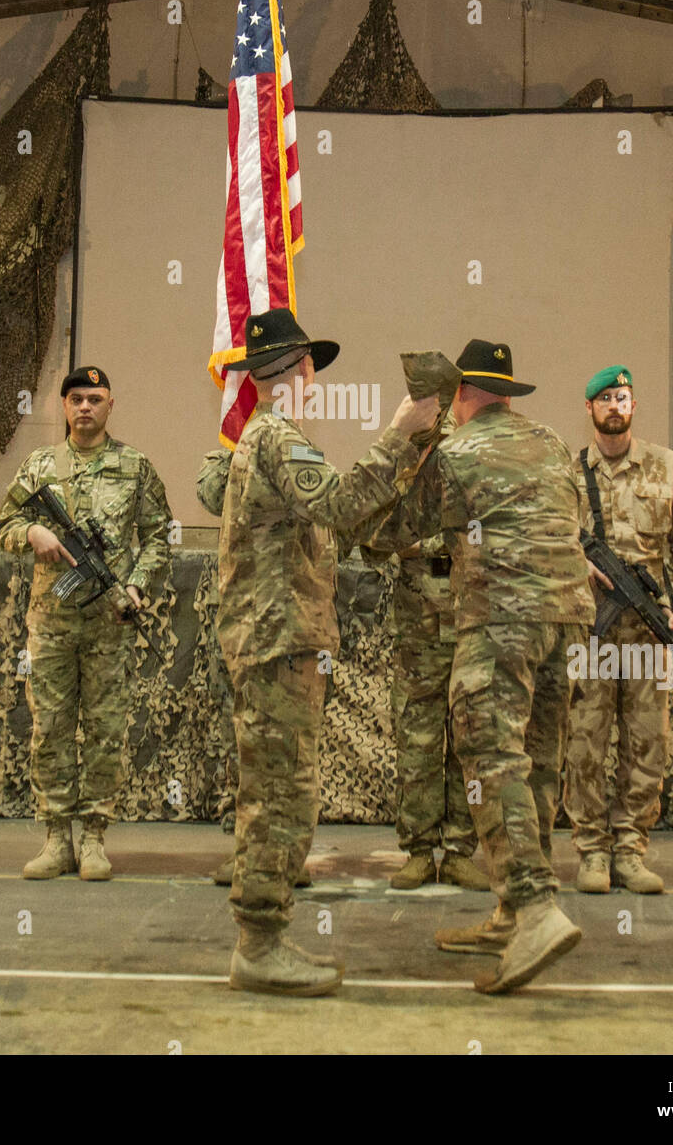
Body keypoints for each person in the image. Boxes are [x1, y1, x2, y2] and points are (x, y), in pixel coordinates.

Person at [216, 307, 438, 996]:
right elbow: (340, 505)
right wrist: (400, 435)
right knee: (280, 796)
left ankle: (265, 935)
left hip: (281, 640)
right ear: (303, 369)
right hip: (278, 641)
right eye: (314, 369)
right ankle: (258, 943)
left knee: (280, 791)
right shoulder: (280, 440)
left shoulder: (268, 438)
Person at [395, 340, 594, 993]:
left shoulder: (457, 451)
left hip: (500, 616)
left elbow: (398, 527)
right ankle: (512, 913)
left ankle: (534, 905)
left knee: (488, 750)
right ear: (507, 394)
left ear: (458, 395)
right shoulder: (553, 444)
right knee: (537, 757)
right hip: (564, 617)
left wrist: (406, 442)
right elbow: (573, 525)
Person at [0, 366, 172, 881]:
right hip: (50, 624)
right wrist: (32, 532)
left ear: (111, 404)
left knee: (104, 731)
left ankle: (94, 837)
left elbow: (159, 535)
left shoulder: (134, 467)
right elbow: (3, 524)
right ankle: (56, 838)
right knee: (49, 729)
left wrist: (137, 584)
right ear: (65, 406)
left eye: (95, 398)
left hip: (109, 624)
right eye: (76, 399)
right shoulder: (39, 464)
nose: (85, 407)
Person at [564, 365, 673, 895]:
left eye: (623, 397)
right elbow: (552, 542)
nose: (615, 406)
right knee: (584, 743)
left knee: (649, 742)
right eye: (605, 399)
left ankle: (629, 849)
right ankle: (592, 853)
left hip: (646, 633)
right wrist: (584, 572)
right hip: (591, 633)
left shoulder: (666, 467)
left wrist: (672, 605)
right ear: (590, 409)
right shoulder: (570, 474)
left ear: (634, 405)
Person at [361, 416, 489, 893]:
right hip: (417, 633)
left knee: (468, 743)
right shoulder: (403, 476)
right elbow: (373, 539)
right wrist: (423, 543)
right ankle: (417, 851)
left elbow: (482, 536)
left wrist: (422, 543)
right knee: (416, 742)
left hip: (471, 624)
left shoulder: (477, 474)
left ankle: (460, 851)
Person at [196, 446, 310, 891]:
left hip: (285, 617)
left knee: (288, 745)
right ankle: (246, 849)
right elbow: (210, 494)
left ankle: (284, 853)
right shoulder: (226, 454)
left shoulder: (299, 452)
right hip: (239, 618)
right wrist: (234, 450)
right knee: (241, 740)